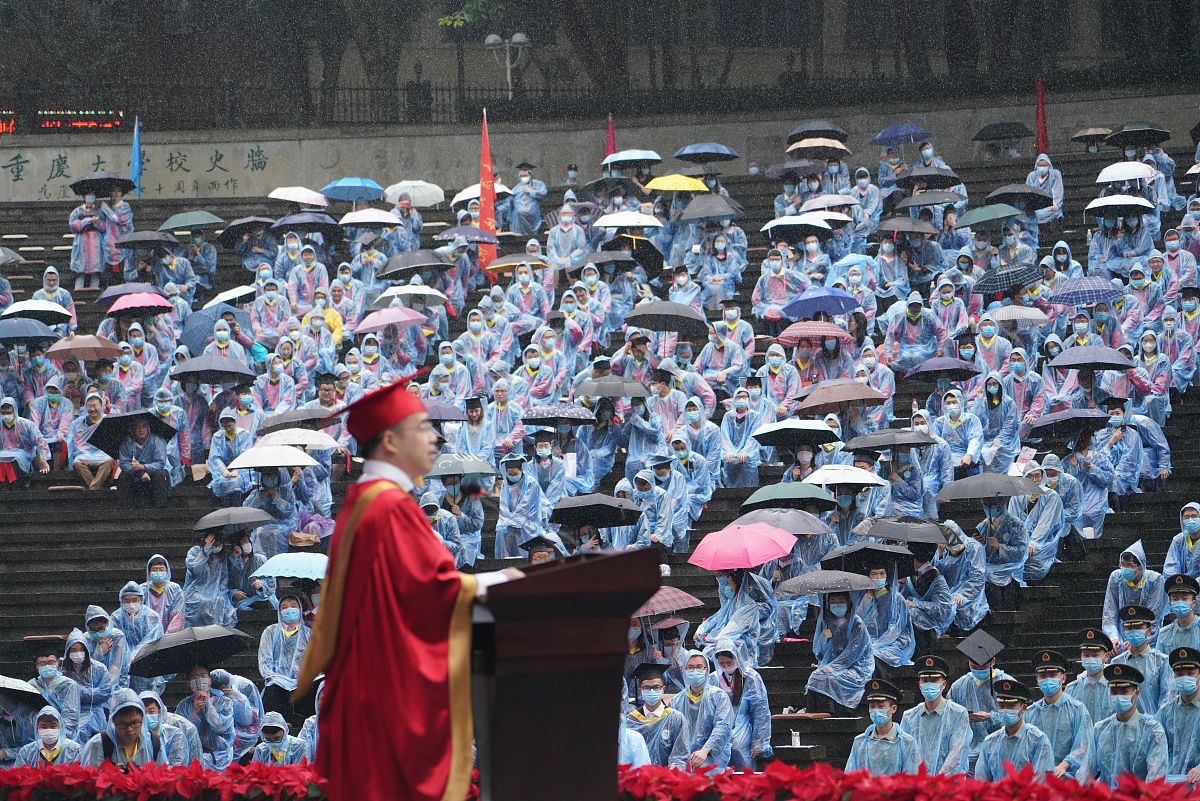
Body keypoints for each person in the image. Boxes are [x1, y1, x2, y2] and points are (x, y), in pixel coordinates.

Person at [293, 379, 521, 801]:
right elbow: (431, 594)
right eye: (421, 427)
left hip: (369, 694)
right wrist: (502, 582)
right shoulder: (388, 507)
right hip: (383, 702)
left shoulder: (369, 500)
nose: (435, 437)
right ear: (392, 441)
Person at [1091, 663, 1168, 787]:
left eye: (1124, 691)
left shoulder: (1152, 731)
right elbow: (1089, 768)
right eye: (1114, 692)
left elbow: (1155, 777)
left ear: (1136, 693)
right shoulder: (1100, 729)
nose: (1118, 696)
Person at [1023, 649, 1093, 780]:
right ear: (1037, 679)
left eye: (1053, 674)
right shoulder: (1030, 712)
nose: (1048, 679)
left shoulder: (1077, 709)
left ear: (1063, 678)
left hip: (1066, 777)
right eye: (1043, 676)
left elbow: (1084, 745)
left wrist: (1064, 765)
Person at [804, 592, 875, 715]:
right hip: (832, 665)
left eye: (841, 601)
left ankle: (831, 713)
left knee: (830, 678)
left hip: (856, 667)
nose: (837, 604)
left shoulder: (856, 623)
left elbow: (852, 653)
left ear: (848, 603)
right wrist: (823, 639)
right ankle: (815, 714)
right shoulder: (827, 622)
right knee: (815, 677)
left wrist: (832, 667)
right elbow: (820, 654)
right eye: (833, 602)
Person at [974, 678, 1054, 780]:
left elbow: (1041, 778)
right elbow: (982, 779)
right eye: (1001, 706)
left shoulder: (1038, 740)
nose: (1005, 710)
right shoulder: (990, 742)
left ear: (1023, 708)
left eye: (1011, 706)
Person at [666, 650, 733, 772]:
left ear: (706, 669)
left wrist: (705, 750)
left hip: (710, 758)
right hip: (682, 759)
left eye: (699, 667)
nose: (695, 671)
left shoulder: (718, 696)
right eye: (690, 667)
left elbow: (722, 726)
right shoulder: (676, 701)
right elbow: (672, 733)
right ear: (685, 670)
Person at [712, 640, 772, 770]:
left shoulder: (750, 677)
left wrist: (759, 740)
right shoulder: (714, 678)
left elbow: (761, 711)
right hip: (720, 729)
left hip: (742, 727)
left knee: (744, 769)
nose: (726, 666)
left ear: (737, 658)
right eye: (722, 663)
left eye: (730, 662)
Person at [845, 678, 920, 775]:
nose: (876, 710)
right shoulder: (860, 742)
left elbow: (912, 778)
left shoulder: (907, 743)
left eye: (881, 706)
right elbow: (850, 775)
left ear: (893, 709)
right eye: (872, 706)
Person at [623, 662, 690, 770]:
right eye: (647, 688)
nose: (652, 691)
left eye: (656, 687)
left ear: (663, 689)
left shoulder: (675, 719)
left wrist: (667, 779)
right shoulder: (630, 721)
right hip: (638, 778)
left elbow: (680, 756)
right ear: (640, 691)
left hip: (666, 779)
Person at [78, 688, 167, 767]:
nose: (129, 729)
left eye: (135, 723)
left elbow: (163, 775)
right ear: (113, 720)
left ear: (142, 718)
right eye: (122, 724)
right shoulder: (98, 744)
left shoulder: (153, 742)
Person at [1102, 541, 1166, 649]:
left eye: (1129, 565)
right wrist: (1113, 637)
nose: (1125, 569)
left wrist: (1140, 640)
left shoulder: (1155, 580)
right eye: (1123, 565)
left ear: (1141, 565)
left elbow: (1154, 617)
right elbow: (1110, 611)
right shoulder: (1116, 577)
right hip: (1121, 638)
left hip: (1147, 639)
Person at [1109, 604, 1172, 714]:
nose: (1133, 631)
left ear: (1149, 630)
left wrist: (1155, 723)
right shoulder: (1116, 663)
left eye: (1138, 627)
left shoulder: (1161, 661)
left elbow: (1166, 697)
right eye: (1129, 628)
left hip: (1154, 725)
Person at [259, 594, 313, 718]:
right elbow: (264, 661)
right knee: (273, 688)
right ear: (279, 611)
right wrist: (275, 677)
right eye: (284, 607)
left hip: (303, 679)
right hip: (278, 680)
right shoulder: (270, 632)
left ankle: (305, 719)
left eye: (293, 606)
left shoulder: (309, 634)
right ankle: (281, 721)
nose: (289, 609)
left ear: (300, 609)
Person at [174, 665, 236, 769]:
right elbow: (180, 732)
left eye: (203, 676)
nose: (199, 680)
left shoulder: (224, 702)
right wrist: (194, 712)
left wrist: (207, 702)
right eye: (194, 677)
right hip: (192, 754)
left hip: (219, 755)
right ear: (188, 683)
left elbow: (219, 727)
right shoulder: (184, 705)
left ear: (210, 680)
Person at [110, 581, 164, 694]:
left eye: (134, 600)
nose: (131, 604)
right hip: (122, 662)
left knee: (146, 695)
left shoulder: (152, 617)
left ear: (141, 600)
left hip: (146, 660)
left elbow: (153, 639)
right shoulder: (115, 618)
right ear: (121, 600)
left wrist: (135, 654)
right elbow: (116, 640)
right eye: (127, 600)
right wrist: (126, 657)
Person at [1157, 646, 1200, 782]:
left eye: (1190, 673)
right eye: (1179, 673)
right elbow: (1153, 745)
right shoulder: (1166, 711)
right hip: (1171, 783)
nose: (1184, 677)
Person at [62, 630, 113, 743]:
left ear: (86, 650)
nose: (78, 653)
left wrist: (76, 690)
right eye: (74, 650)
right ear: (68, 651)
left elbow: (104, 693)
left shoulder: (99, 668)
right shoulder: (62, 669)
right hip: (69, 712)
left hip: (94, 714)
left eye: (81, 649)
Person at [29, 642, 81, 743]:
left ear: (57, 663)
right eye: (43, 663)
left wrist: (60, 737)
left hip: (63, 737)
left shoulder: (69, 685)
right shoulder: (31, 686)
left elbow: (71, 716)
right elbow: (28, 714)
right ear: (36, 665)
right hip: (38, 736)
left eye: (51, 662)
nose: (47, 666)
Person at [116, 418, 171, 508]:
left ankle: (160, 508)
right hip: (135, 475)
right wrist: (140, 473)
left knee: (161, 474)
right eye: (138, 427)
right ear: (133, 429)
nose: (141, 430)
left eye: (144, 426)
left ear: (148, 428)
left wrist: (143, 467)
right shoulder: (127, 442)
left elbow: (160, 463)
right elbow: (124, 463)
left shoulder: (157, 440)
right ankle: (125, 509)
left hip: (154, 475)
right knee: (123, 476)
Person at [1065, 628, 1114, 725]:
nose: (1090, 659)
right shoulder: (1072, 689)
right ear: (1081, 656)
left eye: (1095, 655)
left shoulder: (1115, 688)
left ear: (1106, 656)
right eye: (1086, 655)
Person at [14, 705, 82, 767]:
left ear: (60, 727)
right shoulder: (26, 752)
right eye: (44, 727)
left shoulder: (75, 750)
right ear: (37, 728)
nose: (49, 730)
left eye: (53, 726)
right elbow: (18, 776)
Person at [138, 691, 189, 766]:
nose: (147, 715)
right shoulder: (135, 736)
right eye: (143, 712)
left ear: (159, 712)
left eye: (151, 712)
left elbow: (178, 766)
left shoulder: (175, 734)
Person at [1158, 574, 1200, 652]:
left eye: (1184, 599)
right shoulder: (1164, 634)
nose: (1180, 602)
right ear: (1170, 603)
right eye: (1175, 598)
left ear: (1193, 603)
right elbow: (1159, 662)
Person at [1164, 503, 1200, 580]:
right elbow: (1171, 565)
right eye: (1186, 517)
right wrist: (1176, 580)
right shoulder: (1178, 540)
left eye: (1194, 516)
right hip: (1182, 587)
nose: (1190, 520)